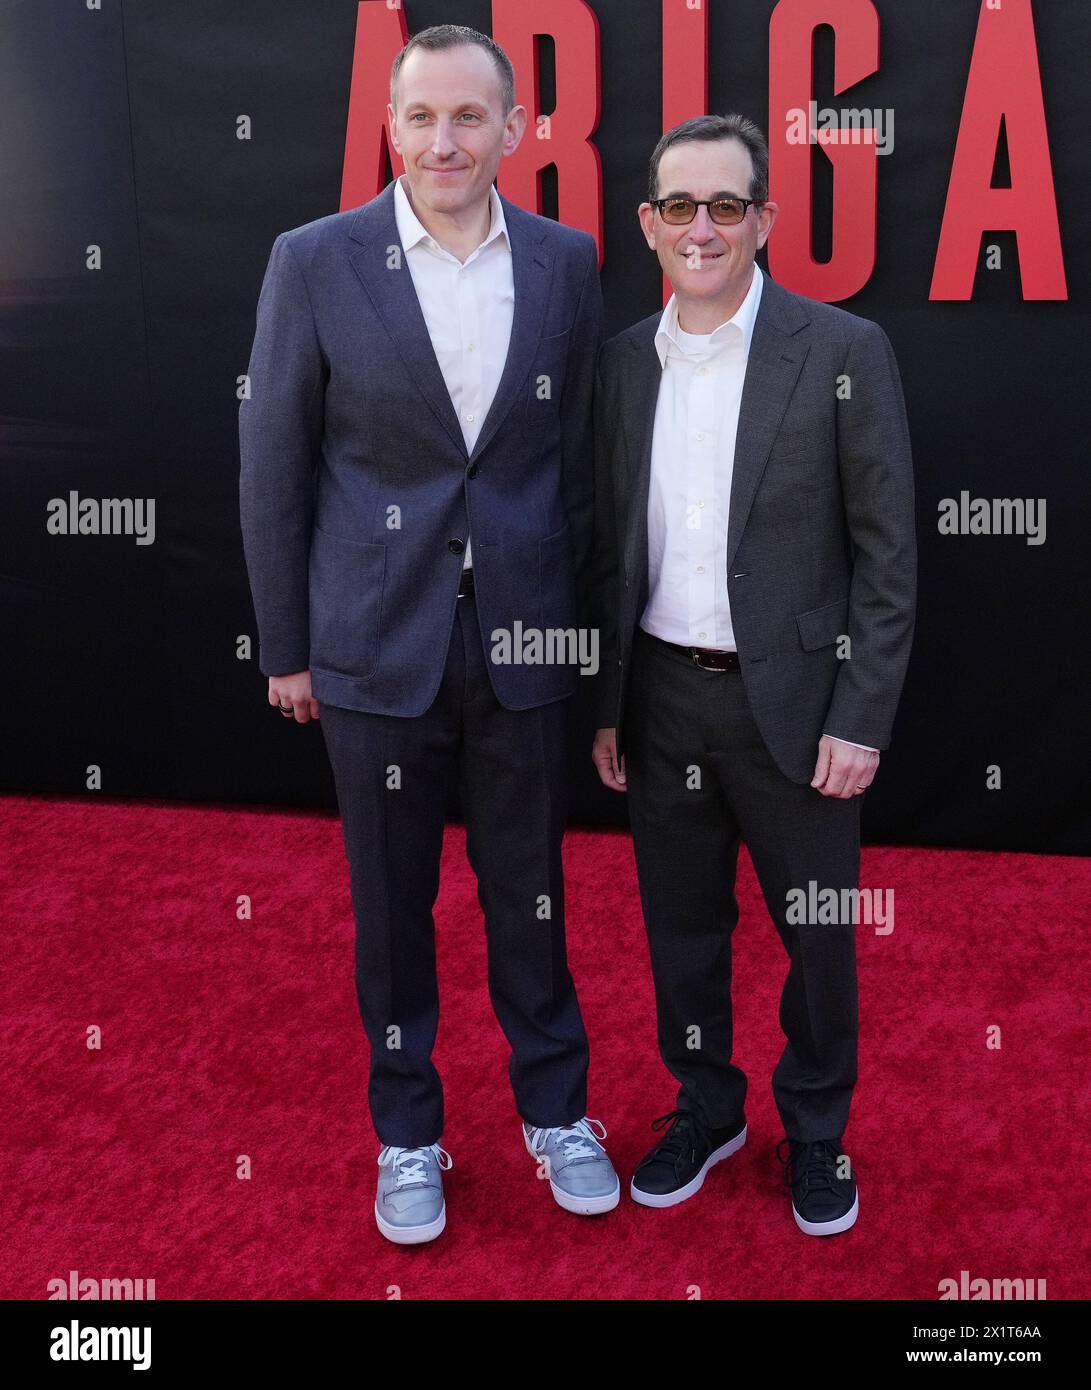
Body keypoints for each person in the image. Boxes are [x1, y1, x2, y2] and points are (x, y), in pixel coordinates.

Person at [239, 24, 618, 1246]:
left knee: (533, 895)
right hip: (370, 646)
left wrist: (586, 649)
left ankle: (555, 1113)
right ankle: (408, 1136)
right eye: (421, 117)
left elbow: (577, 475)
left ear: (513, 131)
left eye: (470, 117)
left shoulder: (567, 262)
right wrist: (285, 644)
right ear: (388, 127)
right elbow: (274, 468)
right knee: (391, 906)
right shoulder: (313, 259)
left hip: (525, 646)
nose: (444, 140)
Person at [590, 114, 916, 1235]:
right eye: (678, 205)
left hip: (800, 703)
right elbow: (609, 546)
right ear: (647, 223)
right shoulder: (623, 361)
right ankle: (704, 1106)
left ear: (764, 219)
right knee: (680, 932)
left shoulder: (839, 350)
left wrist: (859, 714)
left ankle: (815, 1130)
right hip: (661, 702)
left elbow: (886, 553)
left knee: (816, 935)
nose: (701, 226)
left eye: (726, 204)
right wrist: (606, 702)